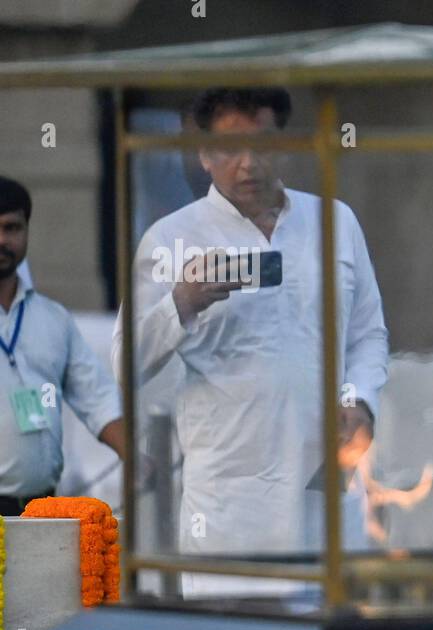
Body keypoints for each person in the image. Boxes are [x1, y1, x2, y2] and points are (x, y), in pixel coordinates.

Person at [113, 88, 389, 600]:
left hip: (324, 489)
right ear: (202, 154)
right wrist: (183, 301)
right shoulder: (173, 238)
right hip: (231, 500)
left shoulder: (334, 221)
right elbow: (125, 363)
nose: (246, 164)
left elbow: (368, 335)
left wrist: (360, 402)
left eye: (261, 144)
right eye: (227, 149)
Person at [0, 177, 126, 516]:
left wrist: (138, 458)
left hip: (41, 511)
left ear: (26, 231)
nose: (2, 239)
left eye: (12, 228)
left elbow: (97, 397)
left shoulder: (52, 319)